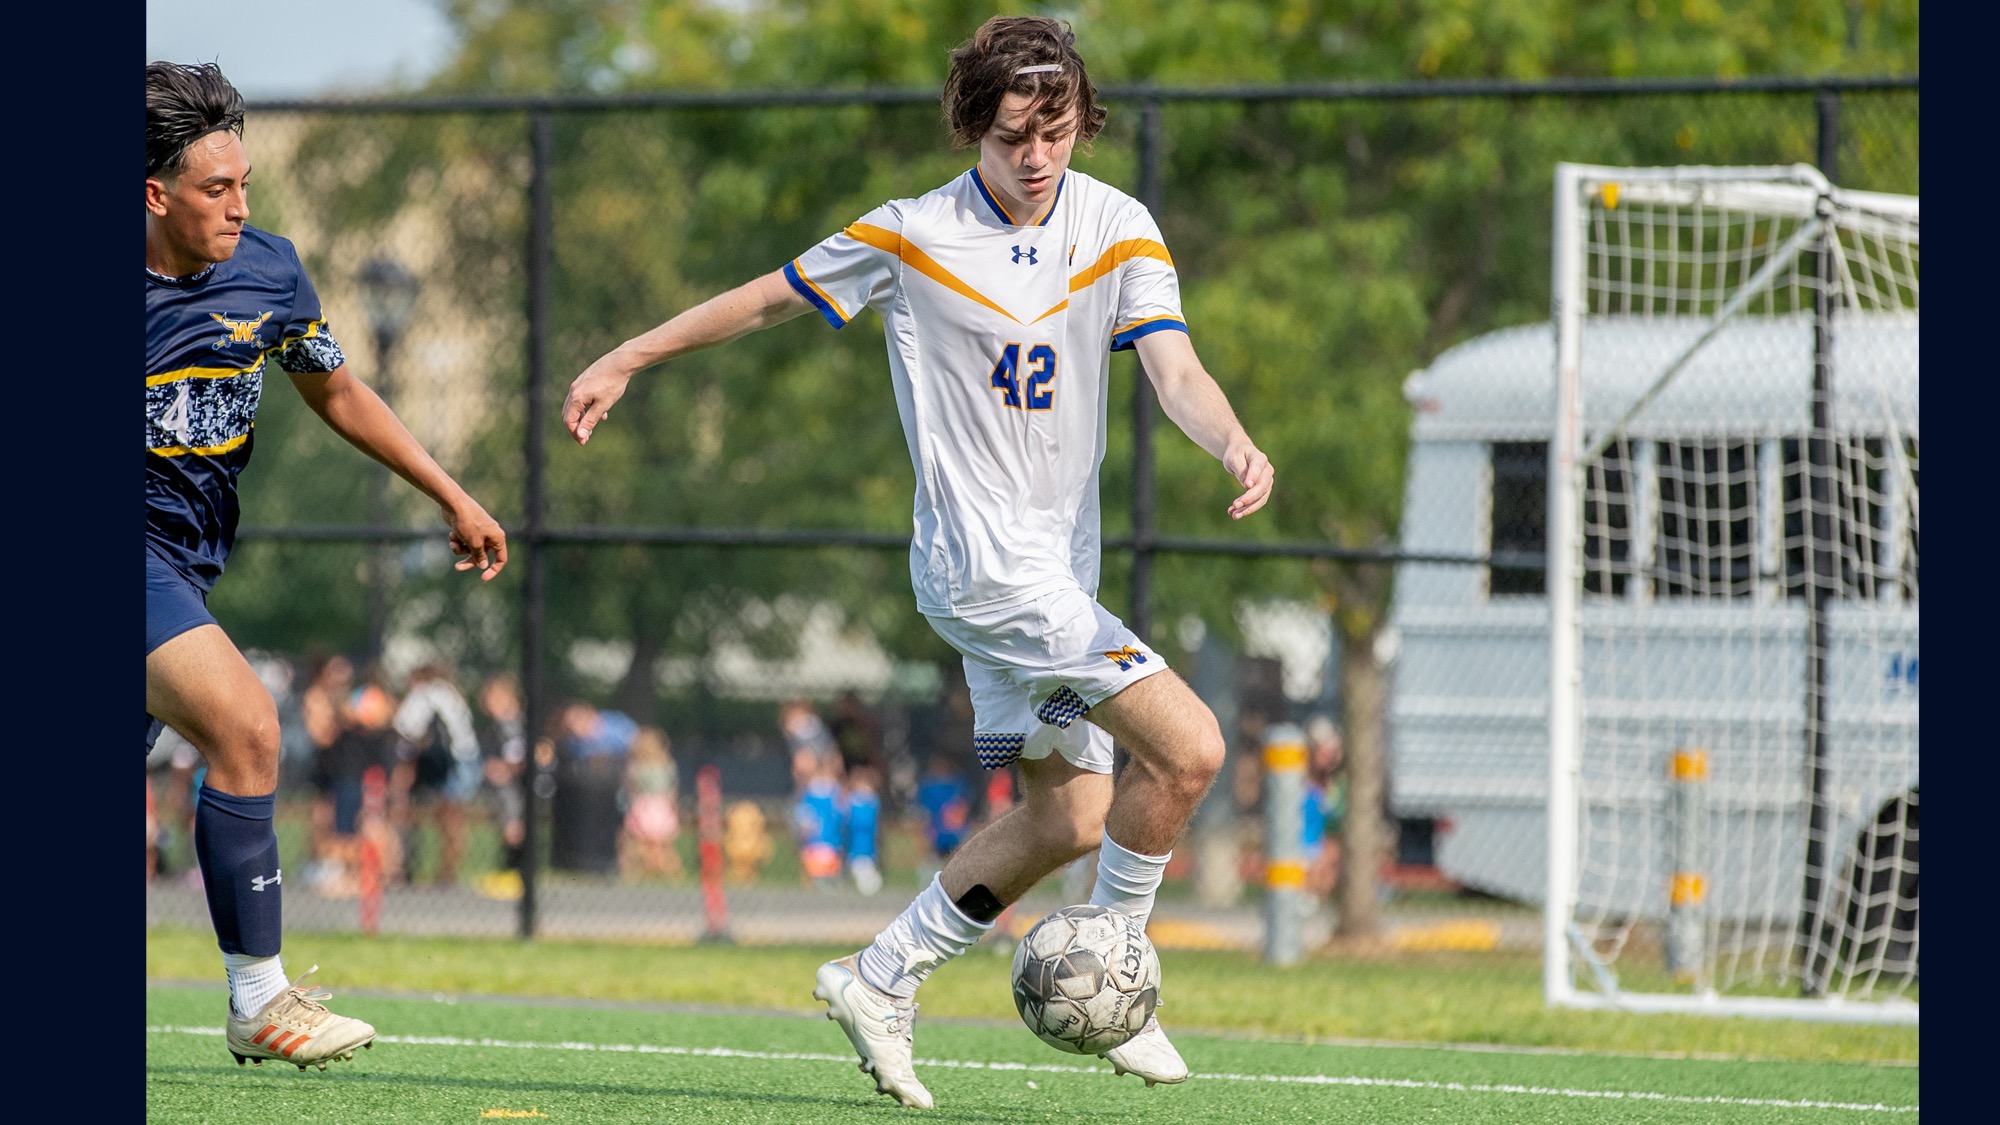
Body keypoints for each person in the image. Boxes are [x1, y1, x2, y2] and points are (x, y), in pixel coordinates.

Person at [559, 16, 1271, 1107]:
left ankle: (880, 975)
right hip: (981, 570)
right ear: (970, 129)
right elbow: (762, 298)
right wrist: (628, 355)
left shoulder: (1117, 224)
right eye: (1009, 138)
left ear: (1080, 122)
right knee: (1187, 751)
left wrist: (1228, 437)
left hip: (1054, 571)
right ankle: (1119, 967)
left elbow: (1174, 369)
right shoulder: (911, 234)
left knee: (1071, 816)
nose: (1036, 159)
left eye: (1056, 132)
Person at [145, 61, 508, 1070]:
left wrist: (451, 492)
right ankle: (259, 999)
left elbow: (339, 393)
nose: (239, 206)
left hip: (185, 558)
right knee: (248, 726)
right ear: (153, 193)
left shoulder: (269, 270)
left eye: (244, 183)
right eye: (217, 190)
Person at [390, 663, 482, 885]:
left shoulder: (423, 694)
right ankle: (447, 872)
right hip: (465, 759)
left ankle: (402, 867)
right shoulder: (453, 695)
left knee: (404, 809)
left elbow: (404, 726)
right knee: (453, 817)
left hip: (437, 762)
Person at [619, 727, 685, 882]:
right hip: (662, 809)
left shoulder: (635, 768)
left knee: (633, 844)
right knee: (664, 847)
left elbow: (629, 789)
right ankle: (675, 874)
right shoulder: (667, 766)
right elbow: (672, 791)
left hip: (642, 809)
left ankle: (630, 873)